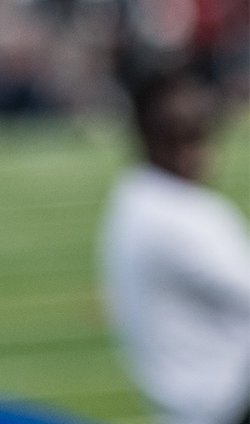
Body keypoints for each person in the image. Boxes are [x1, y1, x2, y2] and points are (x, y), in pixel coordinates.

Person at [99, 71, 250, 424]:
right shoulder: (177, 218)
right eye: (180, 138)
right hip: (221, 401)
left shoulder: (136, 197)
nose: (195, 151)